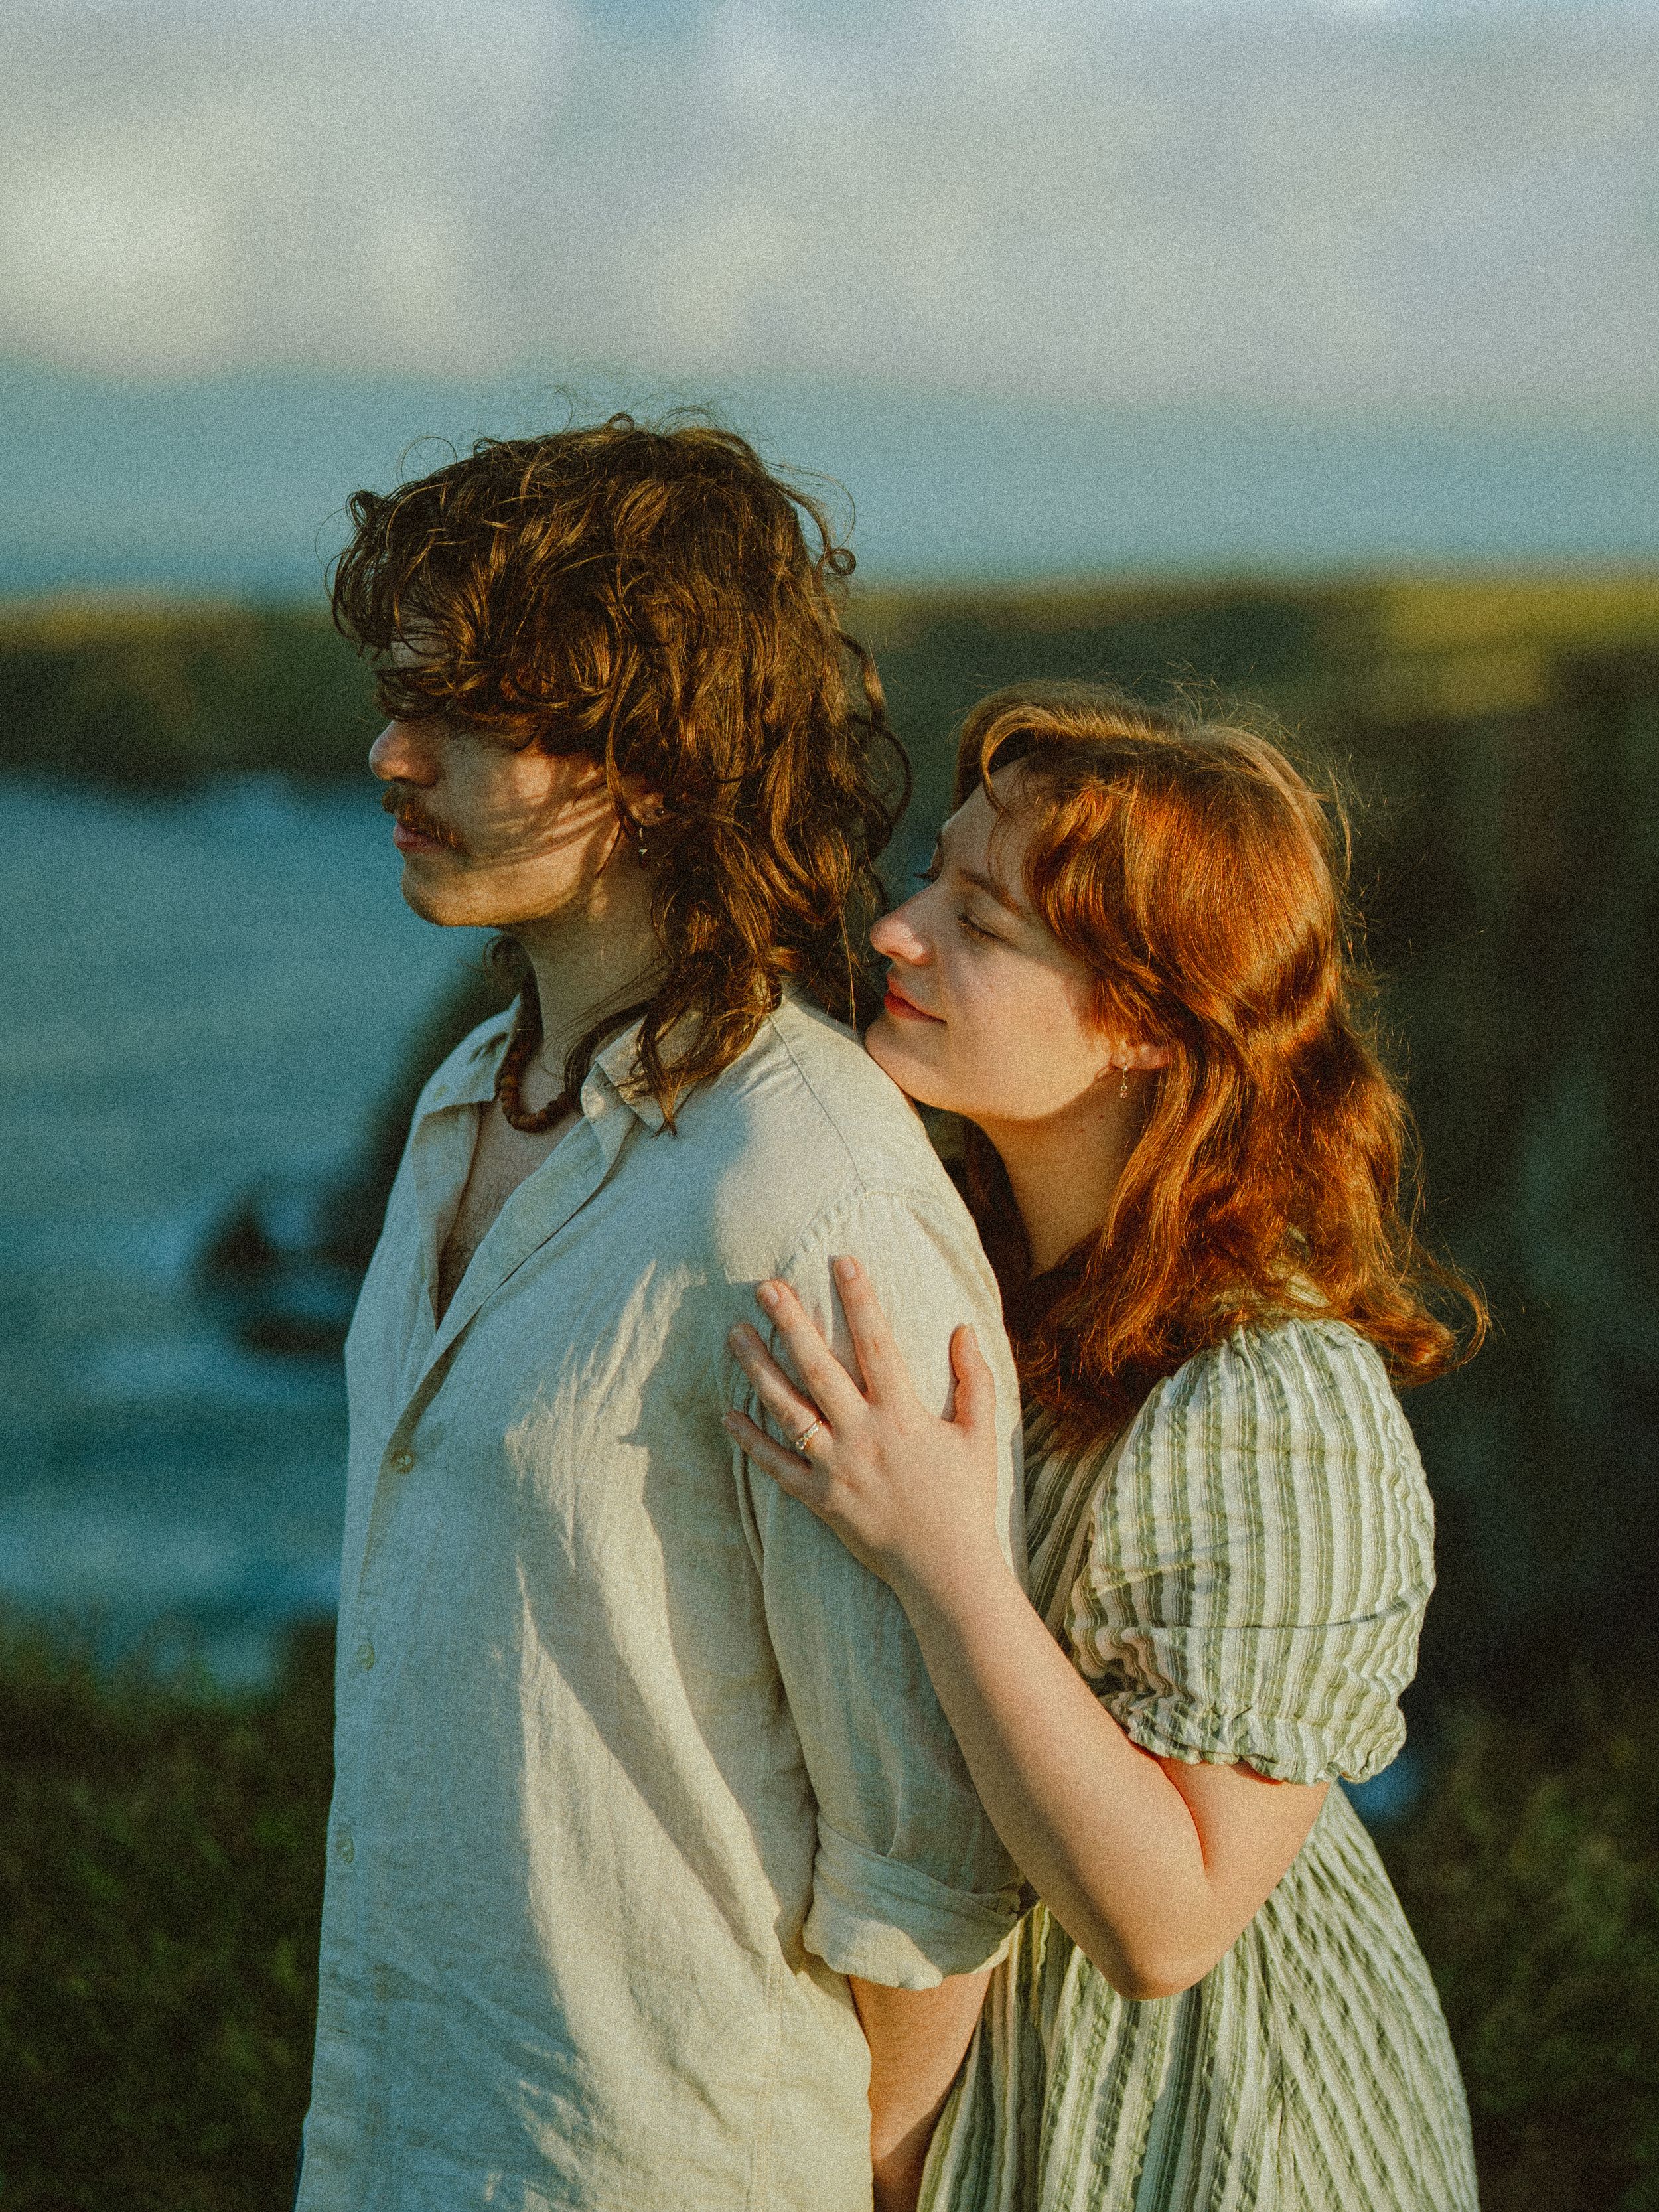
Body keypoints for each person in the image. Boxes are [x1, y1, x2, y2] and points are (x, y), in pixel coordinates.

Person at [294, 417, 1027, 2212]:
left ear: (659, 760)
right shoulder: (472, 1090)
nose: (392, 750)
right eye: (403, 693)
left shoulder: (805, 1194)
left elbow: (928, 1870)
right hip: (394, 2134)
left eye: (472, 709)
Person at [727, 686, 1484, 2211]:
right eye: (930, 874)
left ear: (1142, 1020)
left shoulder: (1272, 1401)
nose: (895, 928)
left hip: (1220, 2147)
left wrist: (944, 1558)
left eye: (981, 921)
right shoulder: (977, 1278)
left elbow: (1167, 1922)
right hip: (990, 2125)